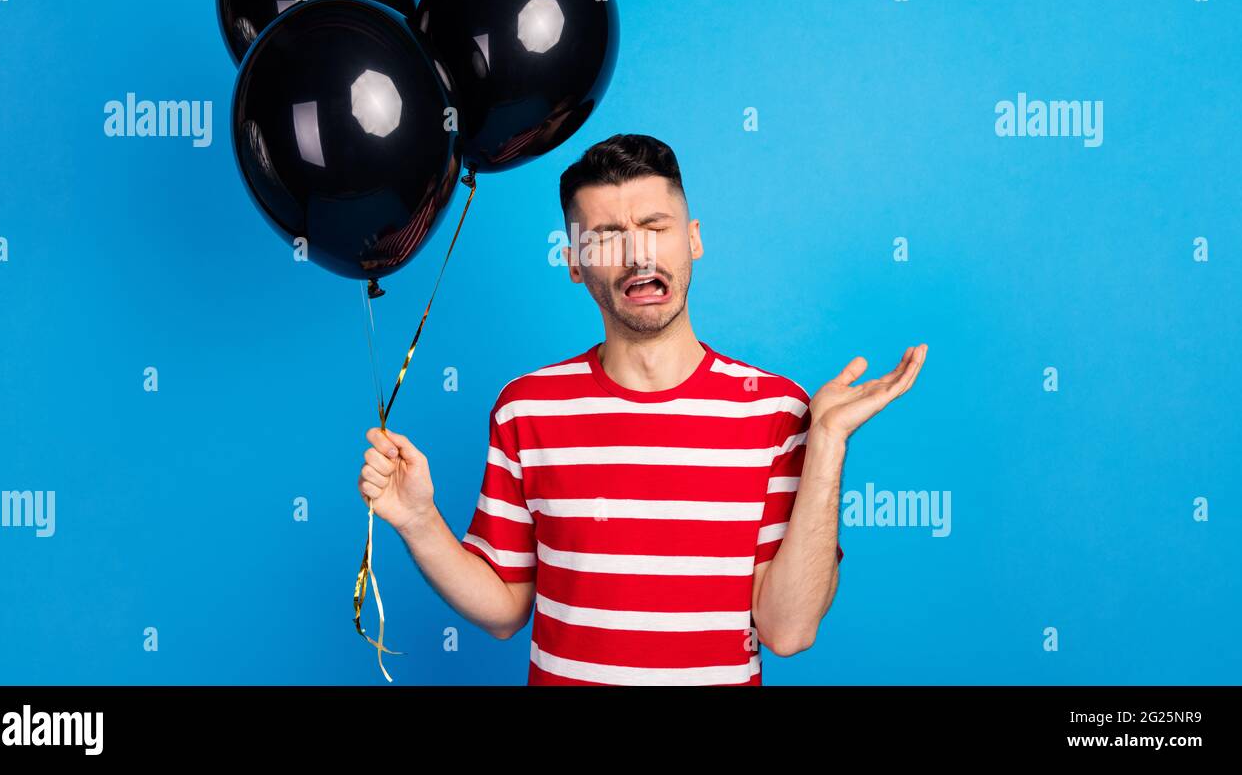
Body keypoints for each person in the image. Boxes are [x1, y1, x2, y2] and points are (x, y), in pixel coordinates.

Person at [358, 133, 927, 684]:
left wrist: (826, 445)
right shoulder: (526, 409)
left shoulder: (777, 412)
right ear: (575, 262)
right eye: (605, 236)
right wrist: (418, 521)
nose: (637, 255)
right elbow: (505, 607)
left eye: (656, 227)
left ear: (693, 239)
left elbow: (788, 630)